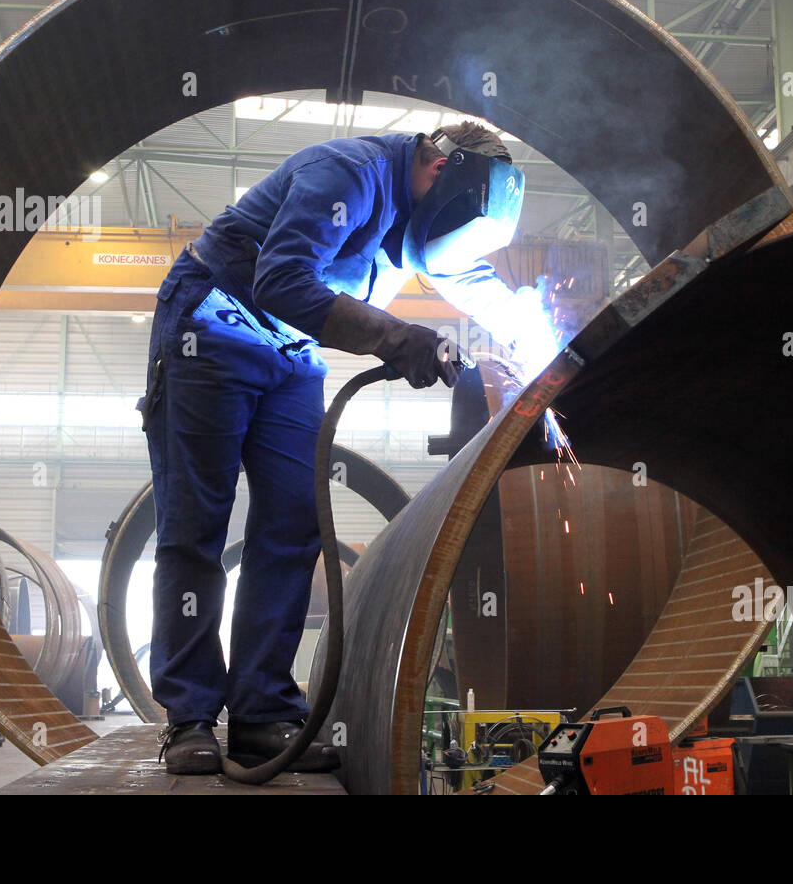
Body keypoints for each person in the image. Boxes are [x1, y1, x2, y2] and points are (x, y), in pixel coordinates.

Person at [140, 121, 557, 775]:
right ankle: (190, 716)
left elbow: (476, 286)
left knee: (293, 523)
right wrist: (395, 337)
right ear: (438, 168)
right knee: (197, 524)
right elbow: (280, 279)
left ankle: (260, 713)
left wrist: (544, 345)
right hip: (211, 328)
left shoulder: (419, 225)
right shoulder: (351, 174)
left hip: (291, 354)